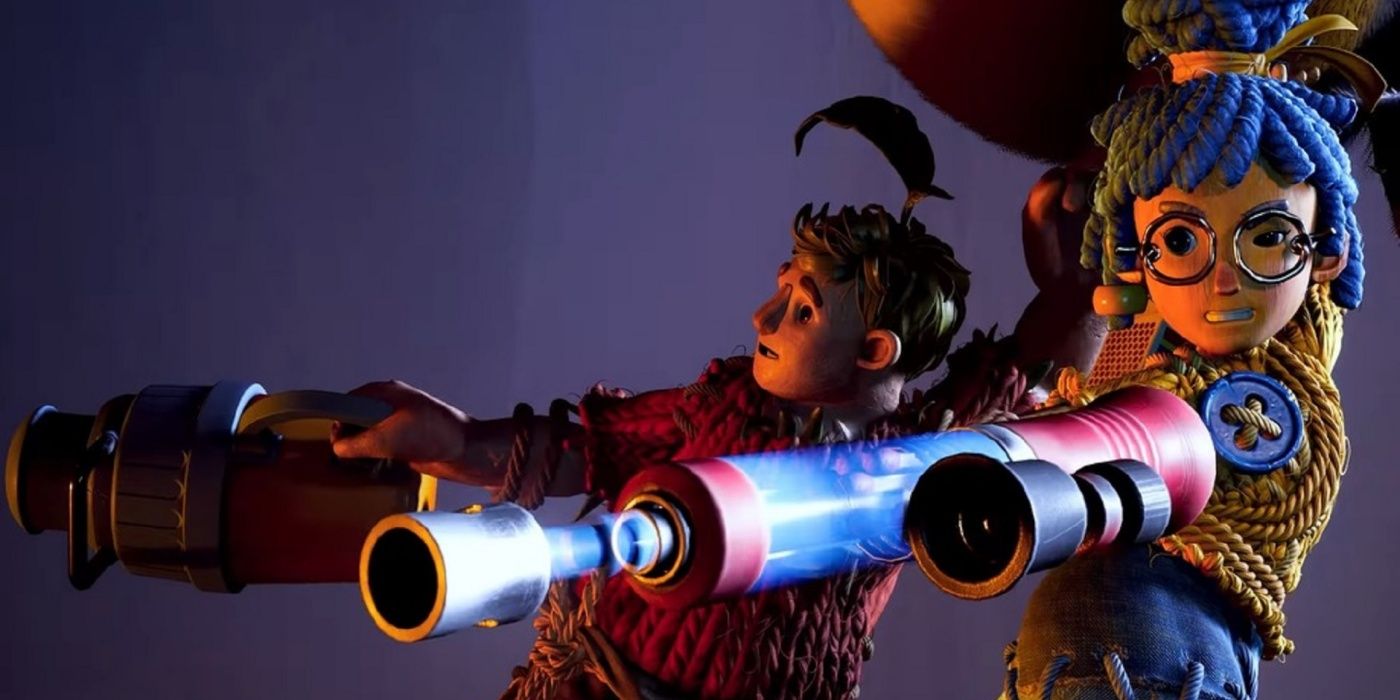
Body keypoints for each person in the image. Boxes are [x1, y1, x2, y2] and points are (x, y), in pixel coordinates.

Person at [331, 97, 1089, 699]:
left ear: (874, 351)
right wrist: (458, 440)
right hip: (601, 684)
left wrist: (1073, 282)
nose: (763, 318)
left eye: (802, 310)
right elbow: (583, 452)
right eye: (781, 290)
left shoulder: (921, 455)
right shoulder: (722, 406)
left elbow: (1028, 373)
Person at [999, 2, 1385, 697]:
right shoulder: (1142, 360)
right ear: (1133, 256)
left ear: (1328, 251)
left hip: (1186, 630)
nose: (1225, 276)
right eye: (1180, 240)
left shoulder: (1288, 371)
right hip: (1129, 630)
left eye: (1266, 235)